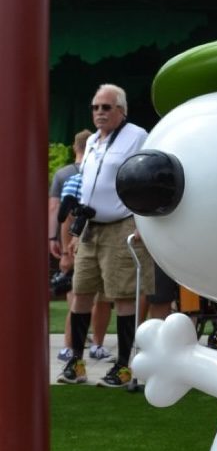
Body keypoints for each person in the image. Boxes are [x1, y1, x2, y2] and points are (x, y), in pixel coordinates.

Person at [57, 84, 154, 388]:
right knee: (81, 292)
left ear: (121, 110)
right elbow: (87, 185)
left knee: (124, 295)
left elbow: (149, 177)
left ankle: (124, 367)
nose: (99, 112)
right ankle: (75, 362)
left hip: (122, 225)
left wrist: (144, 222)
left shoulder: (137, 136)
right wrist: (75, 229)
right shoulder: (94, 142)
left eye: (106, 107)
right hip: (90, 227)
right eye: (95, 107)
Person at [49, 129, 112, 361]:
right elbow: (65, 215)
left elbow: (56, 211)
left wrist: (54, 241)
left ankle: (82, 345)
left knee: (89, 297)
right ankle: (81, 345)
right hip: (84, 243)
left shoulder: (65, 173)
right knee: (86, 296)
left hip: (94, 243)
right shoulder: (74, 177)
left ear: (75, 147)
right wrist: (66, 249)